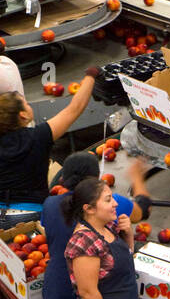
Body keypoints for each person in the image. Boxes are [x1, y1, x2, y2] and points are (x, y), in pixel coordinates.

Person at [43, 154, 150, 299]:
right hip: (97, 294)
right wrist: (138, 179)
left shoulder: (50, 205)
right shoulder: (111, 204)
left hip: (59, 287)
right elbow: (142, 211)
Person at [0, 68, 99, 225]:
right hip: (32, 216)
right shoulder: (38, 136)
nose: (29, 104)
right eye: (26, 103)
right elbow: (74, 109)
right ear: (22, 115)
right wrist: (90, 76)